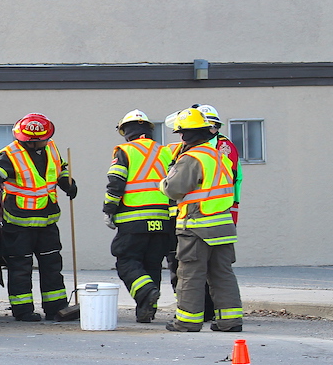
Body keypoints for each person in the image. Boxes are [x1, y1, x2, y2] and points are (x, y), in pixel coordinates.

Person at [0, 113, 79, 322]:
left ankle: (56, 308)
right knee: (20, 269)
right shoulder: (9, 155)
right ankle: (23, 311)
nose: (36, 144)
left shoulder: (51, 148)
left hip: (48, 221)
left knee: (52, 267)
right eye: (31, 141)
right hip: (19, 224)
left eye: (40, 140)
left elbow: (60, 169)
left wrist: (67, 182)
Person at [160, 107, 243, 332]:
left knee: (190, 273)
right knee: (222, 273)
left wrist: (164, 179)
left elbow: (173, 189)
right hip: (223, 225)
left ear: (186, 134)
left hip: (197, 226)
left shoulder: (191, 158)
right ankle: (231, 320)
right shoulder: (219, 155)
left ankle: (187, 321)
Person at [102, 110, 175, 323]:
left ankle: (145, 292)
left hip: (133, 219)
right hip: (162, 219)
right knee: (152, 264)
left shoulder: (124, 151)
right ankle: (146, 309)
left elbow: (116, 183)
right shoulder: (166, 152)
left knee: (126, 260)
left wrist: (109, 209)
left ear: (126, 132)